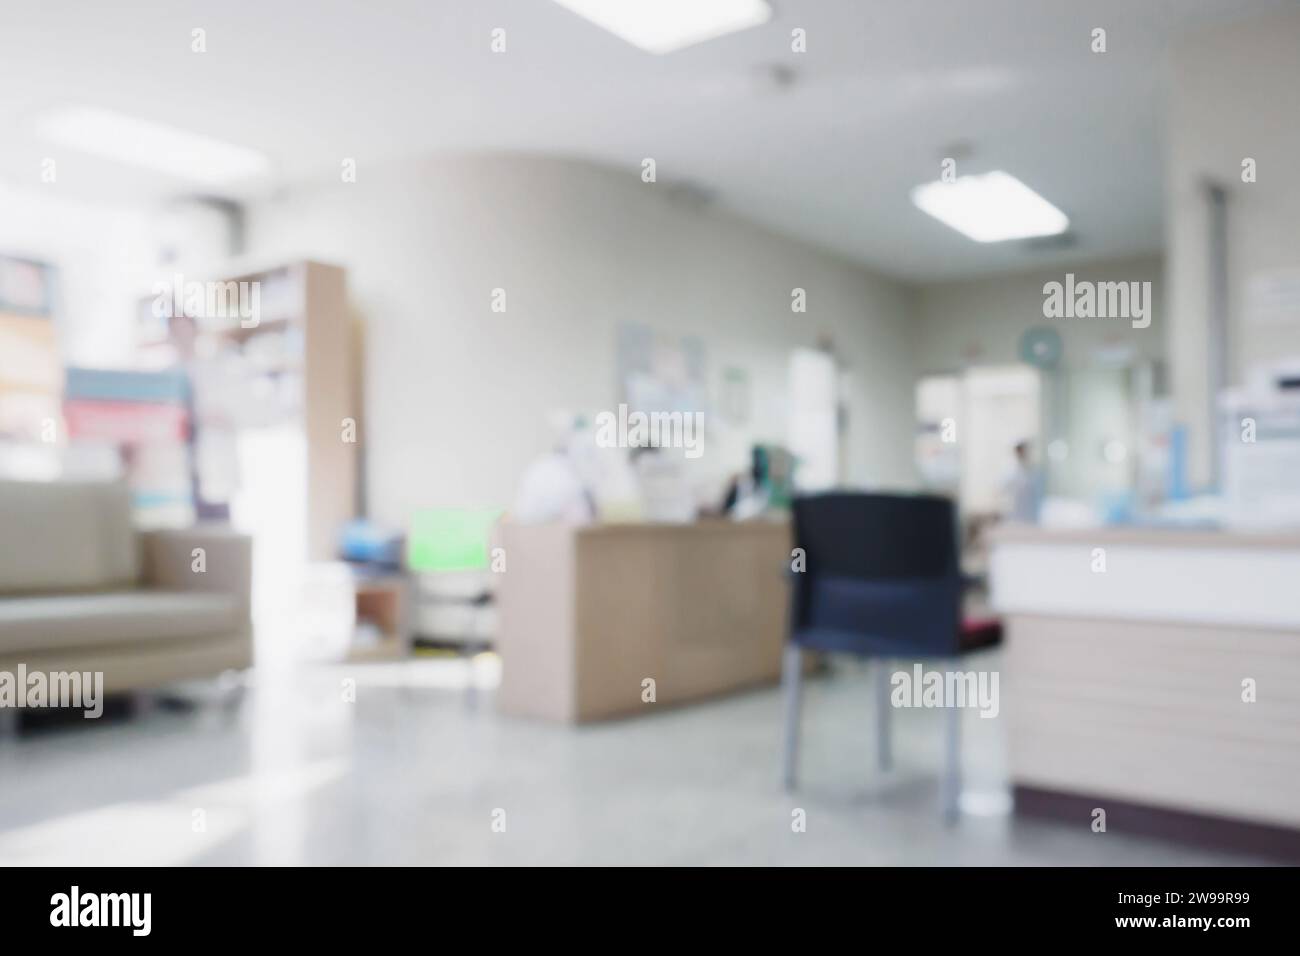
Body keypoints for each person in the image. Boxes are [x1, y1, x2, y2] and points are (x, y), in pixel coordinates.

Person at [1004, 440, 1042, 524]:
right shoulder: (1010, 471)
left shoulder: (1034, 470)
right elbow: (1004, 489)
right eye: (1019, 451)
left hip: (1032, 515)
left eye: (1023, 451)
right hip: (1015, 514)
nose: (1021, 454)